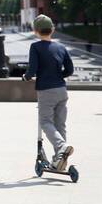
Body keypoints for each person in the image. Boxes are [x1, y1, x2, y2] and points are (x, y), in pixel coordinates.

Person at [23, 15, 74, 171]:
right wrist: (59, 76)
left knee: (45, 122)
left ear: (36, 31)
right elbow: (70, 70)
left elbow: (32, 70)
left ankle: (61, 146)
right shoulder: (61, 47)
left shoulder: (36, 47)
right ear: (52, 29)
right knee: (60, 125)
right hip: (62, 90)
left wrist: (26, 77)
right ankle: (60, 161)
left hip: (46, 90)